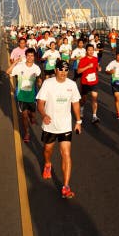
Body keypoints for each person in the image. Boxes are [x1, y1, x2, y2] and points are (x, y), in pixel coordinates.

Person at [36, 59, 82, 199]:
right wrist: (43, 115)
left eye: (66, 70)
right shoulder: (48, 83)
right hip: (50, 125)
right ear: (55, 70)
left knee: (66, 154)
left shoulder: (72, 85)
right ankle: (48, 164)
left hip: (65, 125)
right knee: (48, 150)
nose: (63, 73)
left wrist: (78, 121)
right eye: (60, 69)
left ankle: (66, 186)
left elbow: (75, 104)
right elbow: (40, 103)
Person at [9, 48, 41, 143]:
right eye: (28, 56)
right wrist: (15, 62)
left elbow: (39, 78)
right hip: (21, 96)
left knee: (32, 114)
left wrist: (39, 82)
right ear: (25, 56)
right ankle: (27, 133)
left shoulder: (36, 68)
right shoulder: (20, 67)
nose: (30, 57)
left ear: (34, 57)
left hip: (32, 96)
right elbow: (8, 72)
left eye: (32, 56)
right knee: (24, 115)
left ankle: (33, 117)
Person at [76, 44, 100, 124]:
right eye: (89, 50)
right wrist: (87, 67)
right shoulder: (83, 60)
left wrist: (99, 68)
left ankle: (94, 116)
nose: (91, 51)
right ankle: (81, 109)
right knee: (83, 100)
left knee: (94, 98)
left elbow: (97, 67)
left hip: (94, 82)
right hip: (85, 82)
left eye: (92, 50)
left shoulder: (95, 59)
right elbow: (79, 71)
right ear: (86, 51)